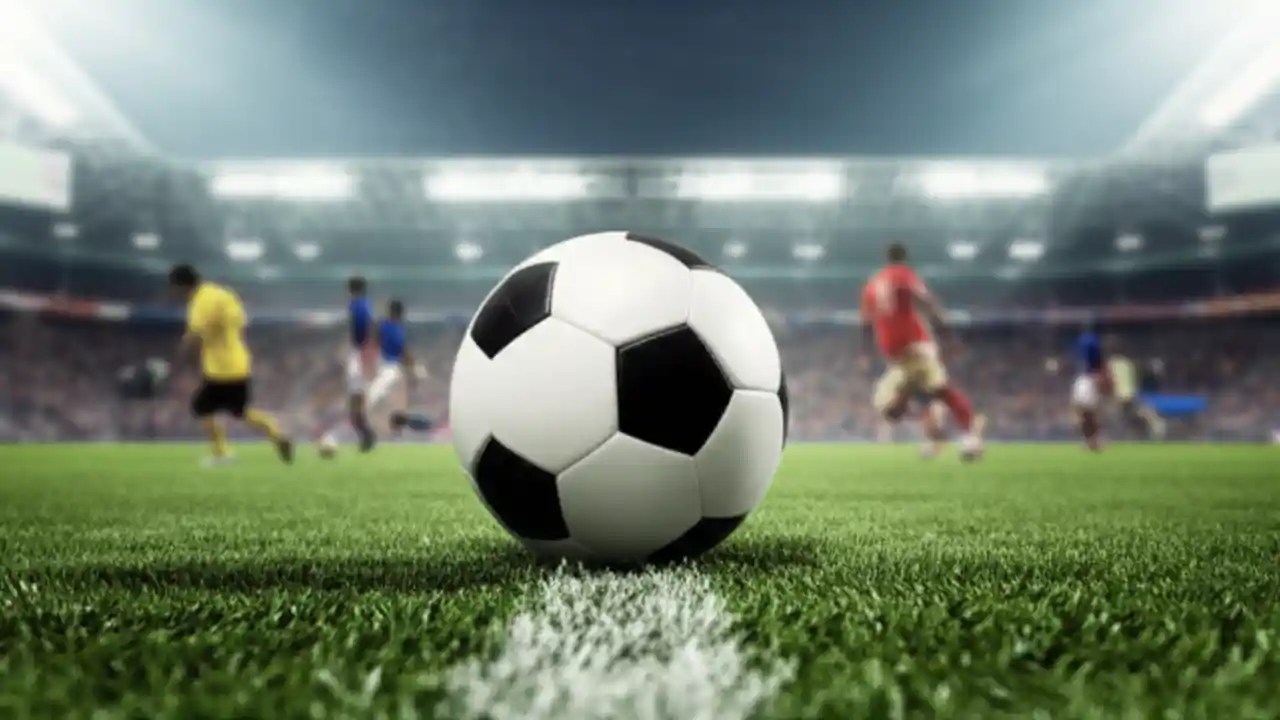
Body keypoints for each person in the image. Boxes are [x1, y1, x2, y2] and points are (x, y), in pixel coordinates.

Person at [861, 243, 985, 460]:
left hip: (908, 351)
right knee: (922, 397)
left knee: (933, 393)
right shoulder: (902, 275)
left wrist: (864, 353)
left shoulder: (872, 284)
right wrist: (946, 332)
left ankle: (965, 438)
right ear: (903, 257)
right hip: (908, 353)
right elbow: (926, 300)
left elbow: (865, 324)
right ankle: (949, 436)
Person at [168, 264, 293, 466]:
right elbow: (241, 322)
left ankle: (221, 453)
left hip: (219, 368)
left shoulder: (200, 300)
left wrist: (179, 356)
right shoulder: (224, 293)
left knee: (201, 407)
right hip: (240, 362)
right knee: (239, 411)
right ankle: (276, 432)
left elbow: (195, 333)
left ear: (181, 285)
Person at [320, 296, 418, 452]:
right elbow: (401, 352)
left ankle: (369, 435)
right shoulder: (389, 328)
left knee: (375, 404)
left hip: (388, 371)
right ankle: (375, 435)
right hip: (388, 371)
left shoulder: (386, 327)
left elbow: (397, 351)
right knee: (381, 404)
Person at [1070, 322, 1110, 451]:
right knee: (1086, 412)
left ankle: (1095, 440)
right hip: (1086, 378)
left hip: (1087, 378)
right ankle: (1092, 440)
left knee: (1087, 412)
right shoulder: (1091, 341)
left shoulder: (1087, 341)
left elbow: (1097, 361)